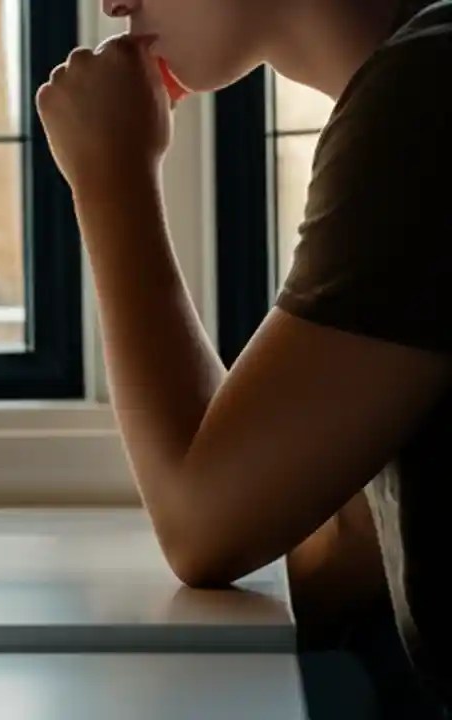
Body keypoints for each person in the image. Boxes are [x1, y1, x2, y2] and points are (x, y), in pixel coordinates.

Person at [34, 0, 452, 716]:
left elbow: (204, 532)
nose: (112, 4)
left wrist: (112, 179)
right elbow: (340, 535)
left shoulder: (425, 96)